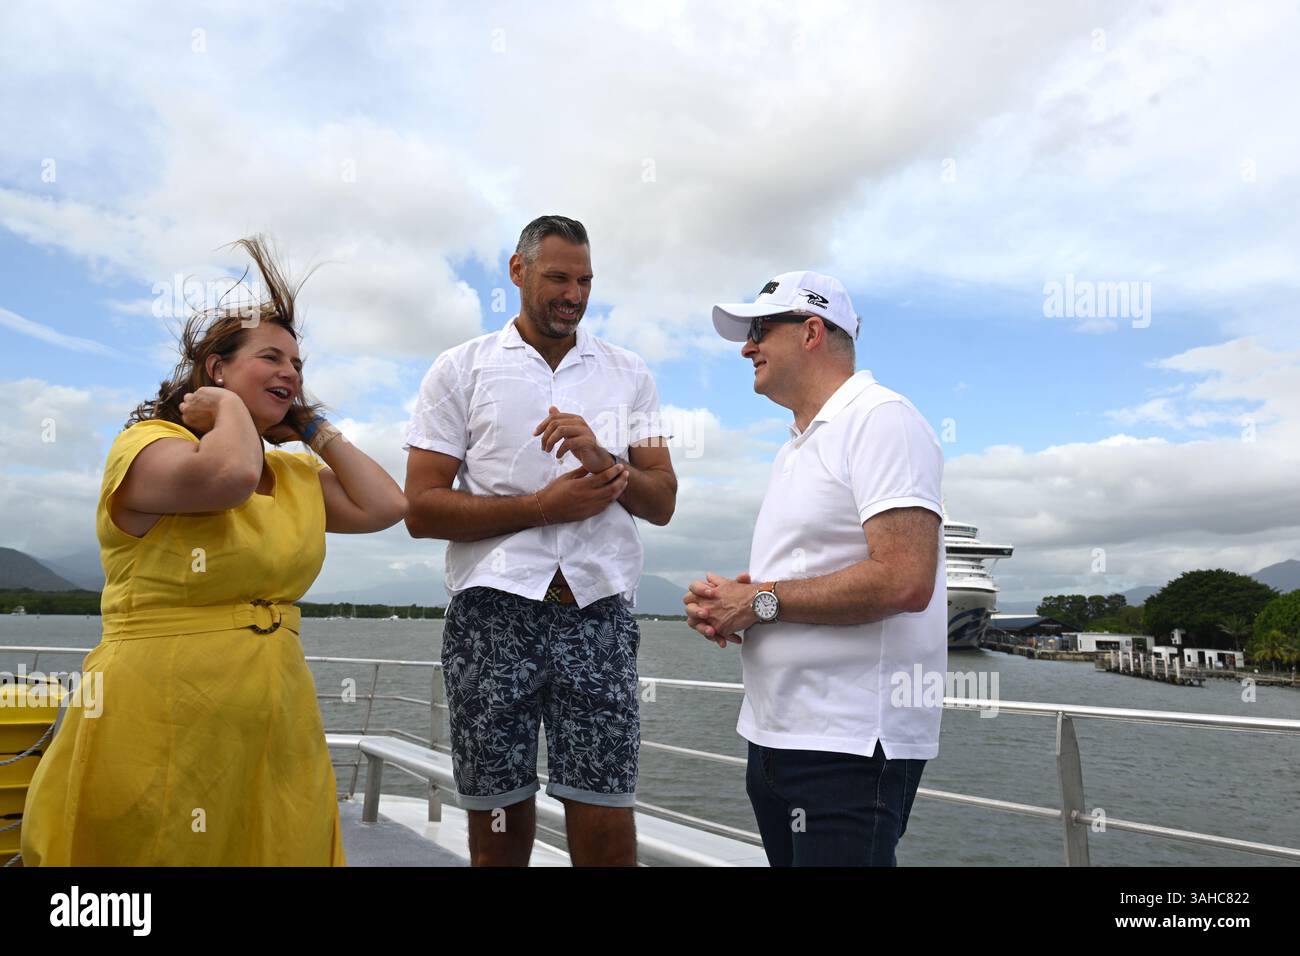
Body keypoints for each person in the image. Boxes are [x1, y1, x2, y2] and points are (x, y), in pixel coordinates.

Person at [21, 237, 409, 866]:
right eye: (271, 358)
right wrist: (228, 409)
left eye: (298, 364)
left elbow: (386, 506)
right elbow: (226, 479)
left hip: (272, 715)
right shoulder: (148, 445)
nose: (291, 372)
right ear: (216, 368)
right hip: (157, 709)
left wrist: (314, 428)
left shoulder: (292, 475)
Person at [403, 215, 676, 866]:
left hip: (599, 615)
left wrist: (605, 458)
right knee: (498, 814)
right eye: (558, 277)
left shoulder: (628, 372)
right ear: (517, 270)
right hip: (492, 615)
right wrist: (538, 508)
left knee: (606, 806)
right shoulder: (459, 369)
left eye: (585, 280)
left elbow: (661, 500)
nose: (574, 295)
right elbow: (420, 507)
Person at [684, 271, 946, 867]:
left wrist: (760, 602)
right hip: (777, 737)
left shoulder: (882, 420)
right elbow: (805, 578)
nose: (747, 347)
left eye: (759, 331)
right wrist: (735, 601)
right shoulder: (796, 444)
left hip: (849, 747)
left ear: (810, 332)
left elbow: (906, 578)